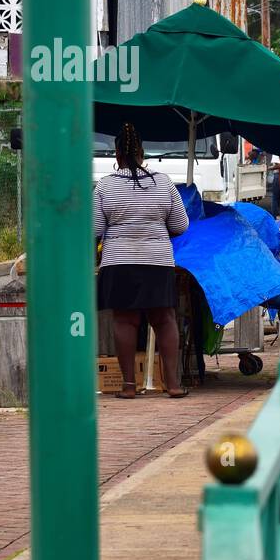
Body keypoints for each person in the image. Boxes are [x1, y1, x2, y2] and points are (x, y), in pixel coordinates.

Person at [94, 122, 190, 399]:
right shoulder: (163, 182)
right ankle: (171, 384)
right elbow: (181, 225)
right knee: (164, 319)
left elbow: (94, 229)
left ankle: (128, 386)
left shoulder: (105, 186)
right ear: (142, 152)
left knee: (125, 321)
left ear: (116, 154)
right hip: (158, 261)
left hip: (118, 261)